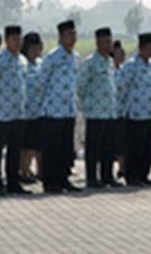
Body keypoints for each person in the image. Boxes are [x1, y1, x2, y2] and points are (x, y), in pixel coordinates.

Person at [0, 25, 29, 196]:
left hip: (18, 113)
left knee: (15, 150)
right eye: (15, 39)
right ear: (7, 40)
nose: (18, 42)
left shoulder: (22, 60)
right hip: (1, 113)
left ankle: (13, 182)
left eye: (20, 39)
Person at [38, 20, 80, 193]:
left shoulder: (75, 57)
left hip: (68, 110)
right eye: (69, 34)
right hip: (53, 110)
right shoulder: (52, 57)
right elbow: (42, 81)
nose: (73, 38)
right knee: (51, 148)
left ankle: (63, 179)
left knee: (65, 149)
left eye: (74, 34)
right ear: (61, 37)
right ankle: (50, 181)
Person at [77, 26, 119, 188]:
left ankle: (107, 176)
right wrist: (90, 102)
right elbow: (80, 86)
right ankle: (92, 178)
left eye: (110, 41)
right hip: (95, 112)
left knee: (109, 147)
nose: (109, 45)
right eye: (106, 42)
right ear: (98, 43)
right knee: (93, 148)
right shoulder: (90, 63)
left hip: (109, 111)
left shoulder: (110, 62)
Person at [119, 33, 151, 187]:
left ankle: (144, 175)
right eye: (150, 47)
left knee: (148, 148)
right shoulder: (131, 66)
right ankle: (132, 176)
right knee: (135, 147)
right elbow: (121, 87)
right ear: (141, 48)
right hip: (136, 114)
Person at [19, 32, 44, 184]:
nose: (36, 51)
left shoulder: (41, 64)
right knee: (24, 145)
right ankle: (24, 170)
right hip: (23, 111)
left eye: (38, 48)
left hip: (38, 111)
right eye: (33, 48)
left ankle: (33, 170)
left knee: (35, 144)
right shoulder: (21, 63)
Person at [110, 40, 126, 179]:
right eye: (118, 53)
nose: (121, 55)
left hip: (122, 111)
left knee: (122, 142)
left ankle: (122, 168)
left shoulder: (123, 70)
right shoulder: (109, 70)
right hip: (110, 112)